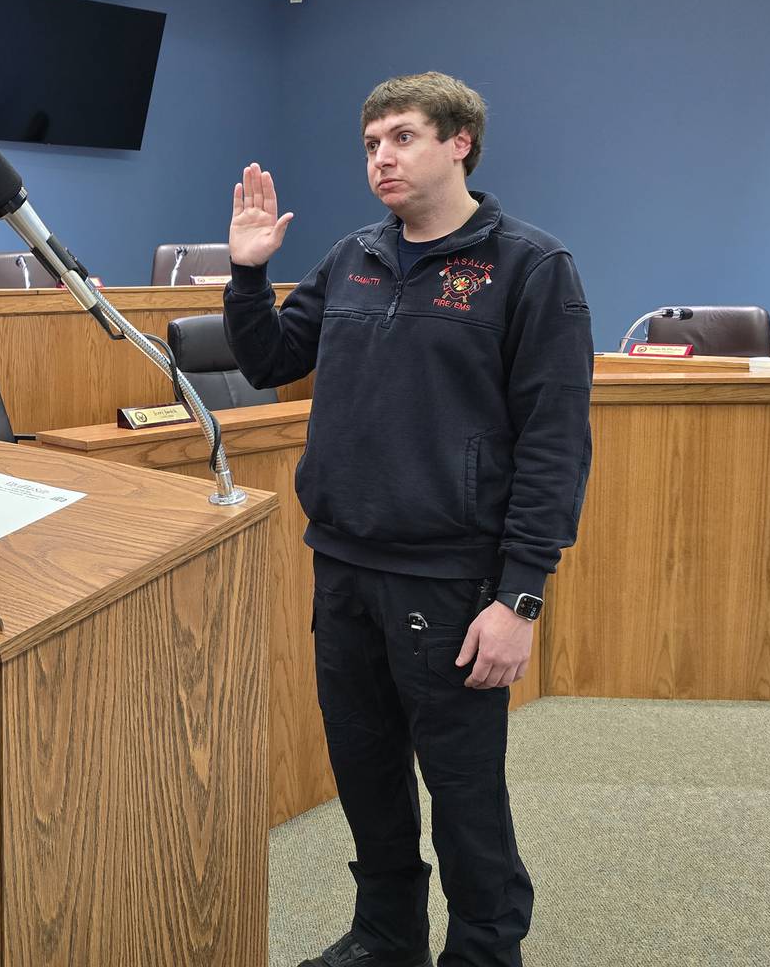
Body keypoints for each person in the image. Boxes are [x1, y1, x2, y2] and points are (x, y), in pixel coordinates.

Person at [223, 73, 593, 967]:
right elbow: (270, 359)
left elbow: (554, 443)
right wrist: (246, 273)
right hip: (343, 569)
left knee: (465, 795)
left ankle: (483, 949)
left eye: (401, 137)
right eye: (370, 144)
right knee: (365, 772)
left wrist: (521, 598)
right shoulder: (353, 256)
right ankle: (387, 936)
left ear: (459, 141)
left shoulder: (529, 266)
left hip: (455, 582)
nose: (380, 157)